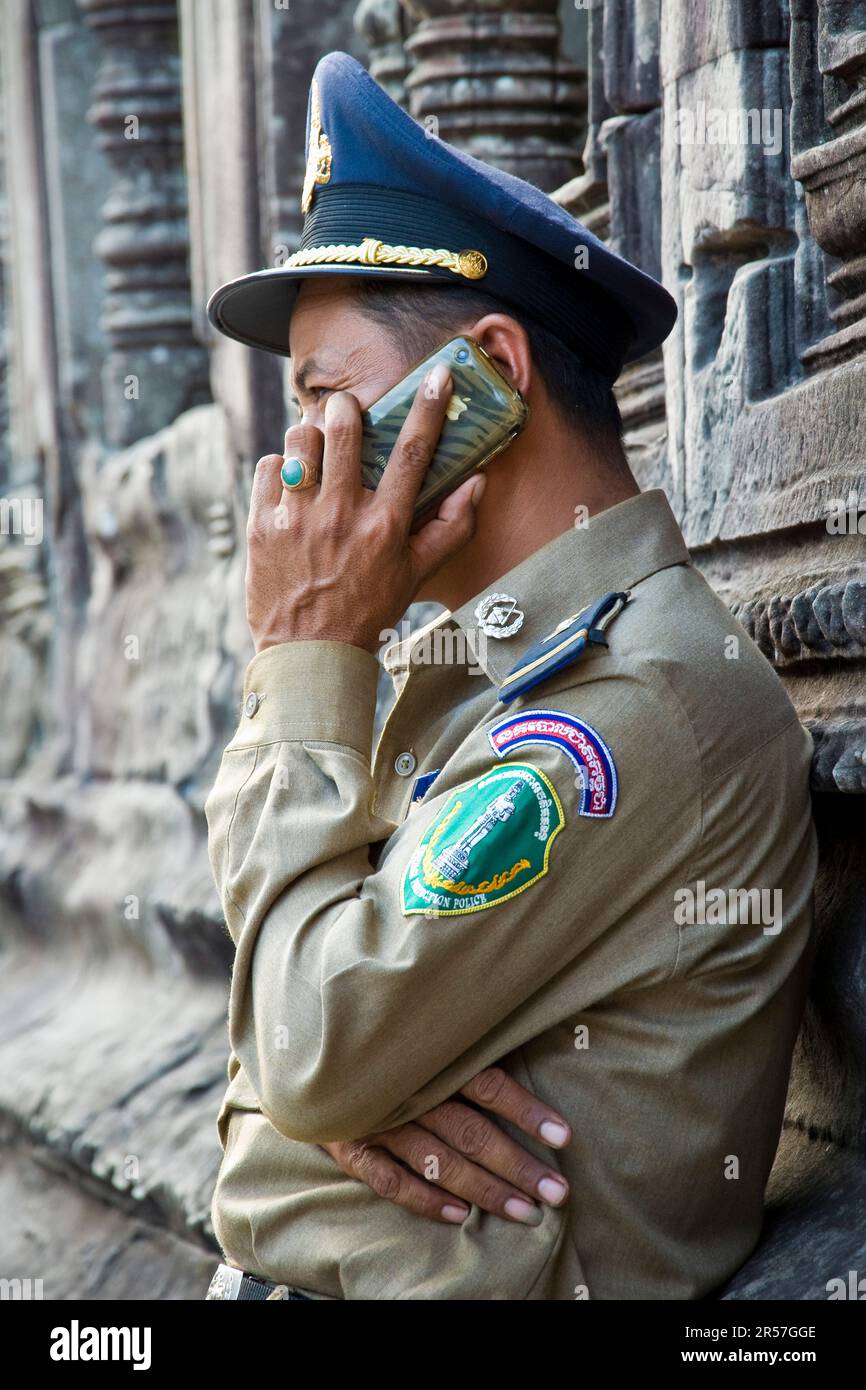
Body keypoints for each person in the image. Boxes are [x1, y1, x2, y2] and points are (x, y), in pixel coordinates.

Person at [200, 51, 818, 1301]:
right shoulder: (489, 674)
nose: (300, 467)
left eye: (327, 398)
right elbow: (281, 1060)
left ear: (486, 369)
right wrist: (318, 1090)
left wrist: (299, 656)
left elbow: (296, 1049)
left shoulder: (624, 704)